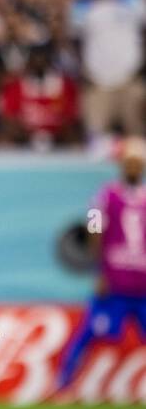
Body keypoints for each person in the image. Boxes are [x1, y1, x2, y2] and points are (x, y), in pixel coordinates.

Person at [55, 137, 146, 390]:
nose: (133, 168)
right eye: (129, 163)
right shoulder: (105, 195)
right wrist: (100, 270)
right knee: (90, 331)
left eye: (137, 163)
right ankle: (62, 384)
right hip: (116, 281)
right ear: (121, 165)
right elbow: (94, 230)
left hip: (142, 284)